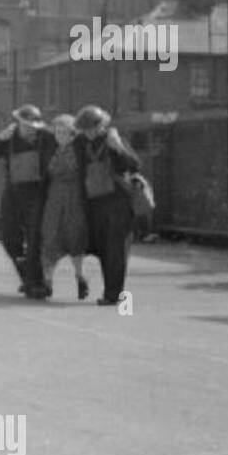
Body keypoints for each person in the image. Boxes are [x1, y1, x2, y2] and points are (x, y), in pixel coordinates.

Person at [0, 104, 56, 299]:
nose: (30, 129)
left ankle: (36, 283)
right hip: (13, 194)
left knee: (35, 239)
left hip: (38, 195)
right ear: (18, 123)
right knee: (10, 239)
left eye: (33, 125)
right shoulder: (8, 140)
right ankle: (26, 275)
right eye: (26, 124)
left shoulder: (47, 139)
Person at [73, 105, 141, 307]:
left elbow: (135, 165)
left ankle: (114, 294)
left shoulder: (113, 140)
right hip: (94, 203)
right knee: (103, 248)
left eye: (93, 128)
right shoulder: (79, 143)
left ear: (101, 125)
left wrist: (118, 146)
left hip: (117, 202)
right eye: (85, 129)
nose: (90, 132)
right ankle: (111, 291)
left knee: (116, 250)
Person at [38, 114, 89, 300]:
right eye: (57, 132)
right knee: (50, 236)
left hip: (73, 197)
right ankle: (48, 281)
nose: (59, 135)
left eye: (63, 132)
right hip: (55, 198)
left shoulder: (77, 151)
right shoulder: (55, 151)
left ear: (72, 134)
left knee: (74, 236)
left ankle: (80, 277)